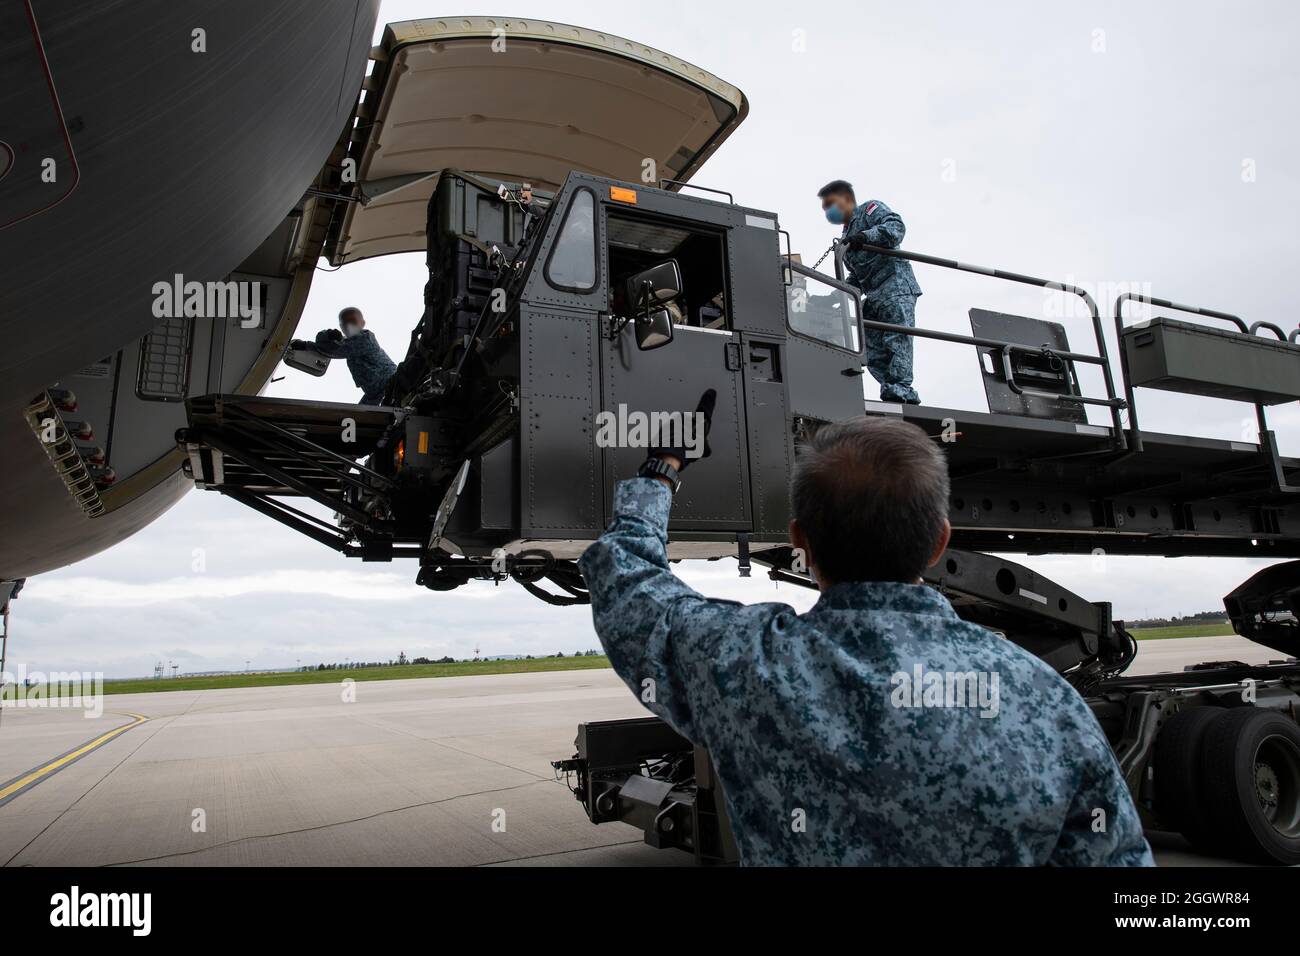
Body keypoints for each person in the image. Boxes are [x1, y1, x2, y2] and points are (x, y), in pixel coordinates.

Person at [578, 406, 1154, 867]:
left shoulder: (745, 663)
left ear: (800, 539)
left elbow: (628, 583)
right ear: (939, 543)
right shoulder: (1046, 698)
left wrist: (663, 470)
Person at [819, 180, 922, 404]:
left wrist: (866, 237)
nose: (829, 211)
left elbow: (896, 228)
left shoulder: (869, 210)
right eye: (826, 208)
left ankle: (902, 389)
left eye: (831, 204)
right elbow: (856, 277)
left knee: (897, 339)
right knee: (871, 349)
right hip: (873, 297)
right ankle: (891, 389)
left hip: (895, 286)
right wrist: (834, 297)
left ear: (845, 200)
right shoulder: (846, 238)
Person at [292, 307, 397, 406]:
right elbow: (331, 348)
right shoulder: (349, 342)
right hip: (375, 392)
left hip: (391, 385)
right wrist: (327, 336)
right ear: (342, 327)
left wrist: (308, 344)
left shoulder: (365, 340)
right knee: (358, 416)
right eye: (344, 323)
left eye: (353, 321)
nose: (349, 325)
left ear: (362, 323)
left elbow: (333, 350)